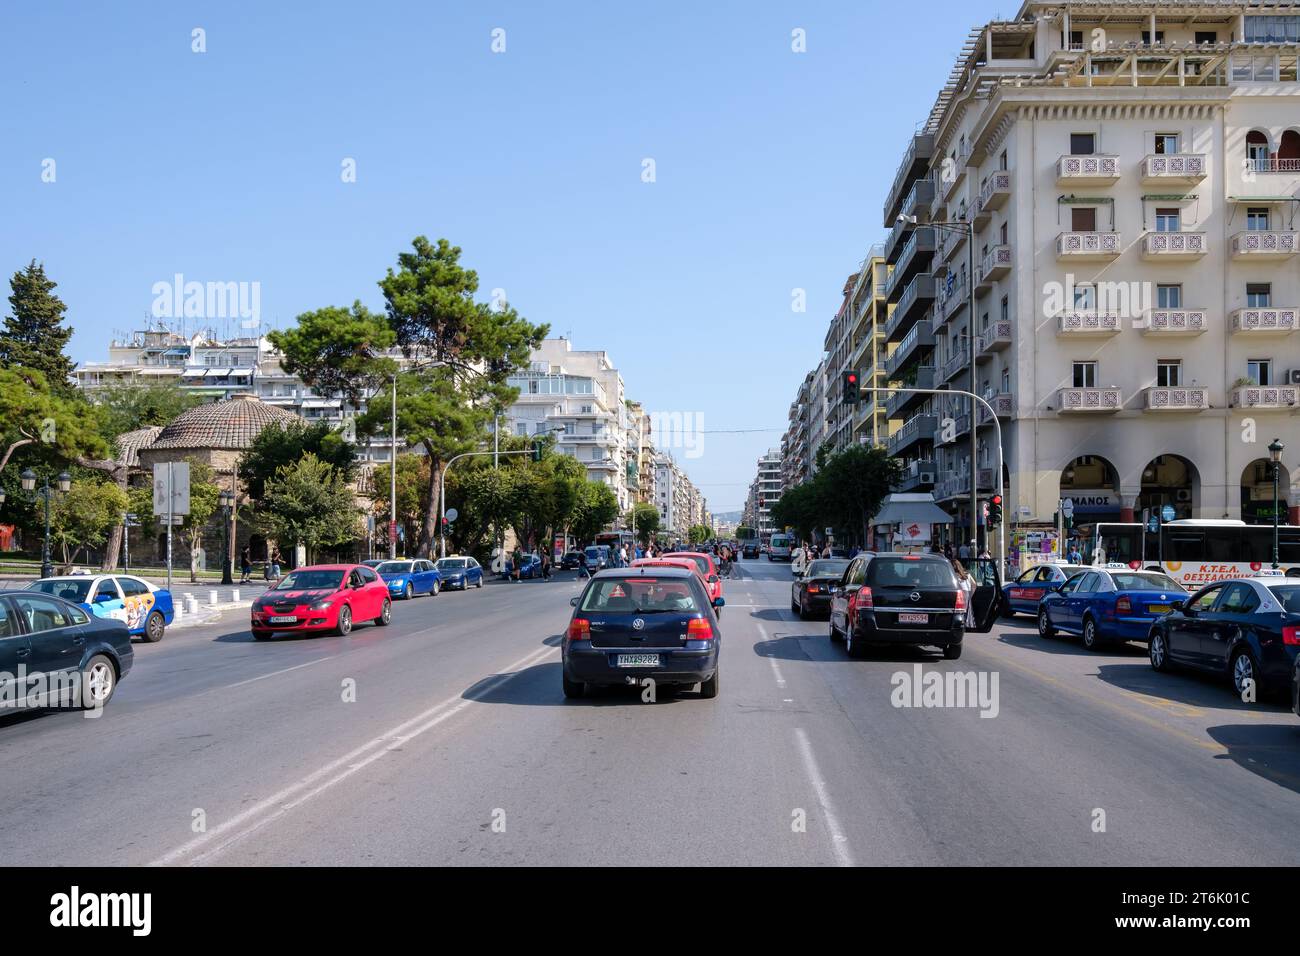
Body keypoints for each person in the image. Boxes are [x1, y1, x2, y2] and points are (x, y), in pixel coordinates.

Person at [952, 560, 976, 627]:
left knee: (959, 612)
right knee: (967, 612)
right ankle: (967, 624)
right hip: (967, 594)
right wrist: (970, 595)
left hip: (958, 594)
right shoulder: (967, 574)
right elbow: (974, 585)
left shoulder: (953, 575)